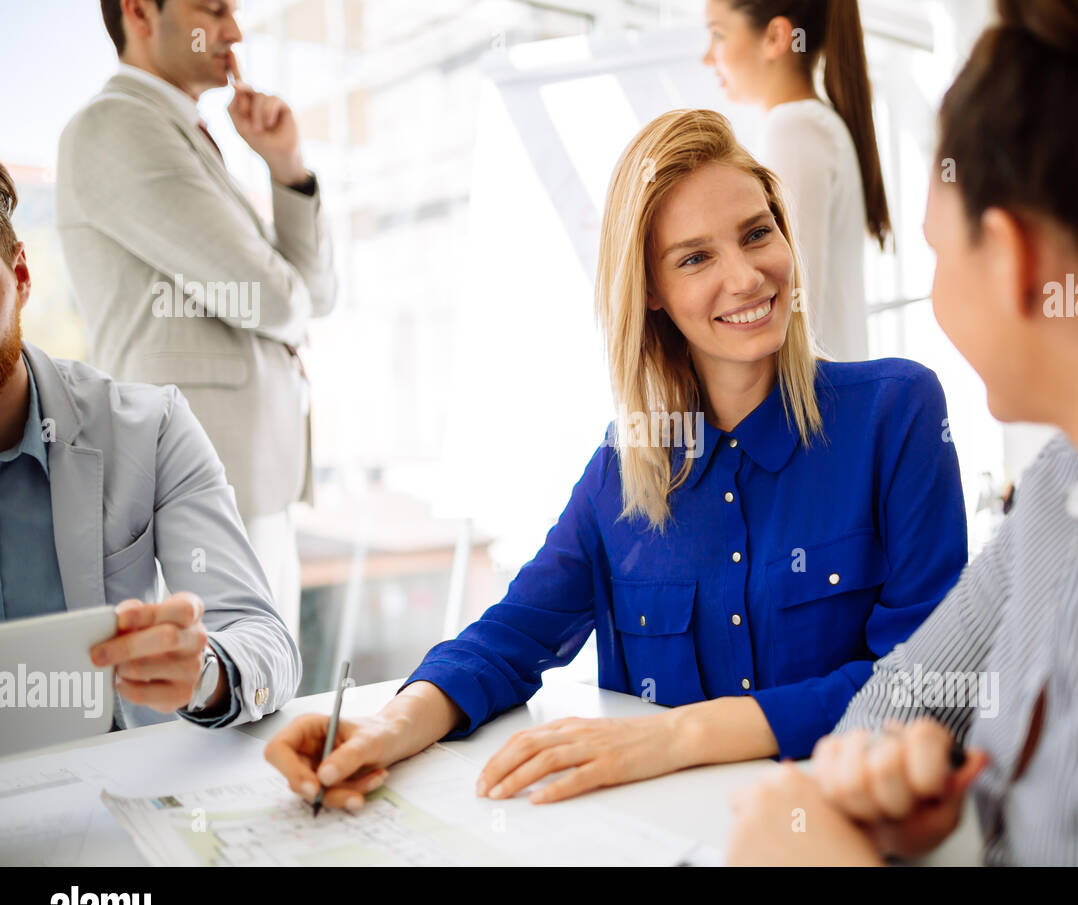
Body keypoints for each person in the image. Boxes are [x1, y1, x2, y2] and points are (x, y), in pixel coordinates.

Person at [727, 0, 1078, 866]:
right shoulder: (1066, 484)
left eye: (937, 249)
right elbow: (889, 708)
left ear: (1014, 257)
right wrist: (888, 793)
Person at [264, 109, 966, 810]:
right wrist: (384, 728)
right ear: (652, 293)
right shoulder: (622, 470)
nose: (748, 276)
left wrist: (679, 736)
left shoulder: (896, 413)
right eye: (696, 257)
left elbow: (925, 682)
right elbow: (510, 638)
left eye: (758, 234)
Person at [56, 0, 339, 642]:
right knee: (225, 713)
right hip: (197, 493)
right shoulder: (118, 127)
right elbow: (274, 298)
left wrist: (286, 168)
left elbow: (313, 294)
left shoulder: (188, 134)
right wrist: (284, 296)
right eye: (212, 9)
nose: (235, 32)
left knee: (261, 700)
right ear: (138, 11)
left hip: (249, 486)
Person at [0, 161, 299, 732]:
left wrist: (205, 673)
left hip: (117, 793)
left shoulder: (149, 427)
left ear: (20, 279)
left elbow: (270, 648)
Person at [703, 0, 889, 360]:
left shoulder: (793, 128)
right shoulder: (812, 123)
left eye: (718, 34)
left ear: (775, 37)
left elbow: (796, 312)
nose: (708, 58)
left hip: (813, 402)